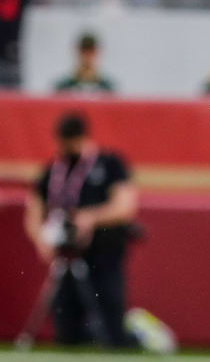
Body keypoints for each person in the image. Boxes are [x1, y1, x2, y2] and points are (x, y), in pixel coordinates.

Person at [24, 112, 138, 347]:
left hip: (104, 250)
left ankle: (122, 341)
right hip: (67, 255)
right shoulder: (54, 170)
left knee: (110, 316)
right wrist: (40, 239)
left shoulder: (109, 163)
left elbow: (125, 206)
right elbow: (33, 210)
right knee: (66, 328)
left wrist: (91, 218)